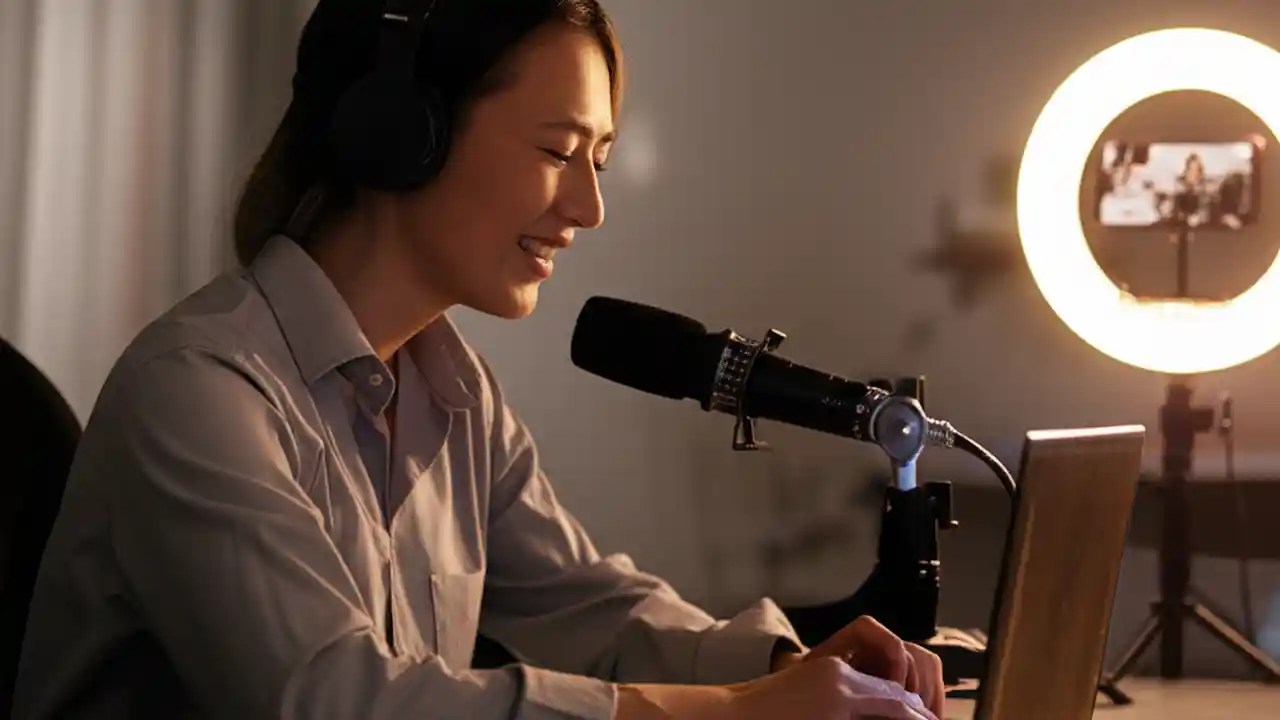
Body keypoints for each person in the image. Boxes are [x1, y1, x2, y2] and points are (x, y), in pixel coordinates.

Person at [12, 1, 943, 718]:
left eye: (599, 161)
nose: (588, 208)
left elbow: (599, 613)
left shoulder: (455, 396)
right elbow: (337, 702)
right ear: (401, 132)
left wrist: (786, 671)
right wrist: (737, 713)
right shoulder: (199, 392)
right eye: (557, 151)